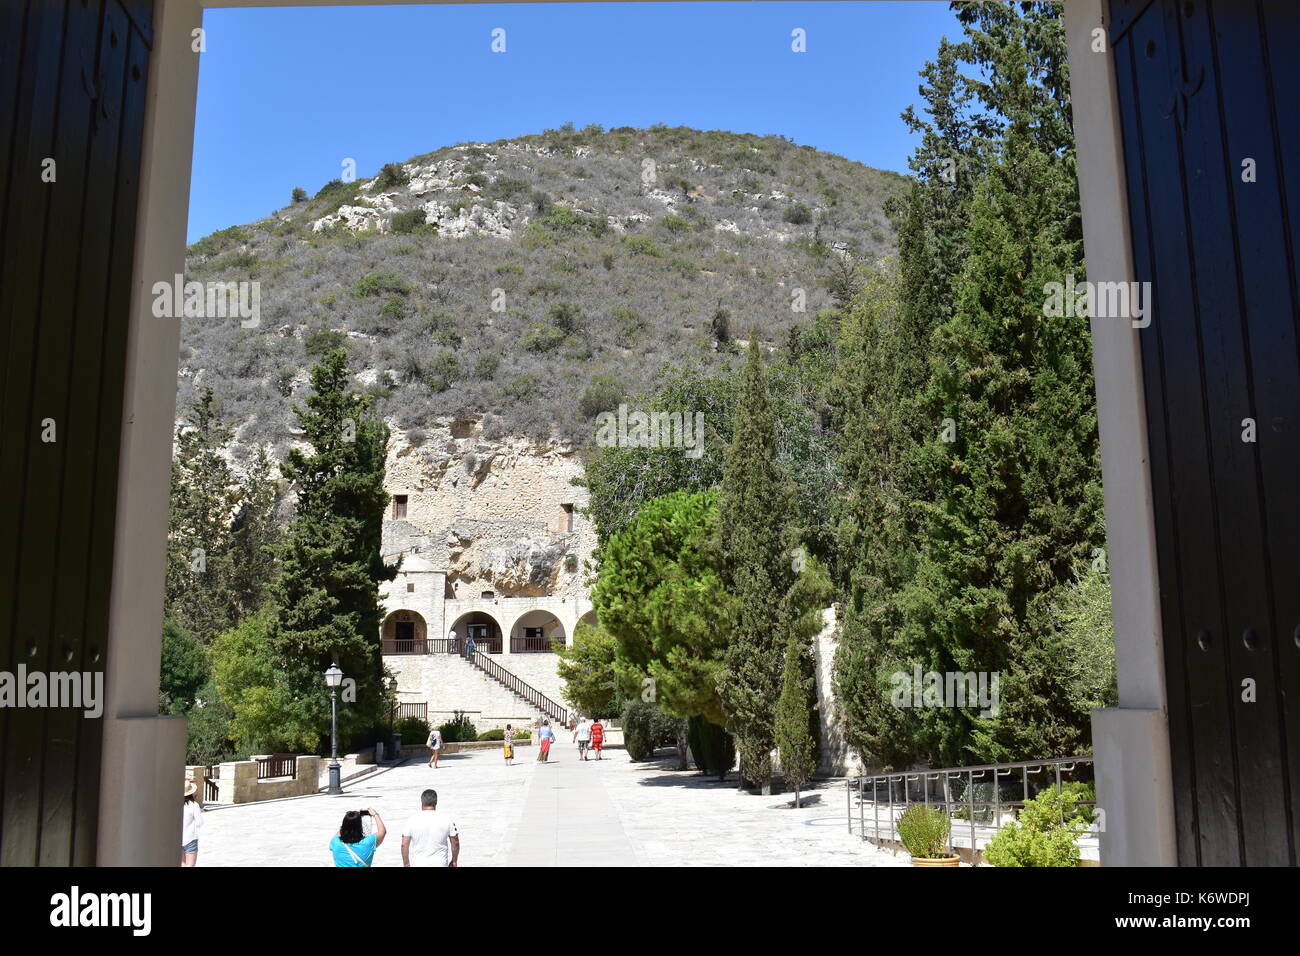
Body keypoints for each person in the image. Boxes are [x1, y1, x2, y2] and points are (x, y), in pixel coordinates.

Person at [401, 789, 459, 867]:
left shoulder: (411, 820)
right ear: (436, 803)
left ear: (422, 803)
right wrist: (454, 860)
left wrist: (406, 863)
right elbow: (455, 842)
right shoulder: (446, 819)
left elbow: (404, 845)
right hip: (440, 864)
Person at [182, 780, 204, 866]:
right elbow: (199, 822)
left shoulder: (174, 804)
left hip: (179, 839)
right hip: (190, 838)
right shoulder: (194, 805)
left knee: (182, 864)